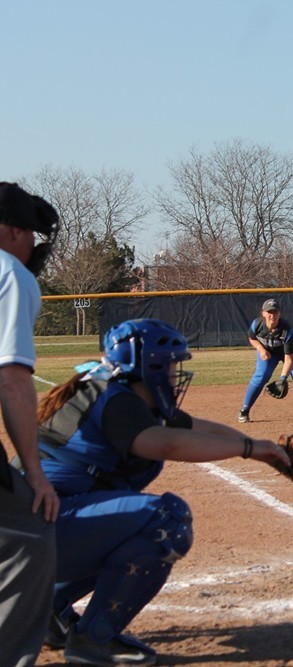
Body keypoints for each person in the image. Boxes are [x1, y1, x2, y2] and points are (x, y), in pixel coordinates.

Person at [37, 318, 290, 665]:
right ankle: (93, 641)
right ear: (147, 364)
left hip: (37, 526)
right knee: (164, 519)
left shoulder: (110, 388)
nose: (173, 373)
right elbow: (167, 443)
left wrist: (257, 445)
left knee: (121, 530)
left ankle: (45, 611)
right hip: (39, 530)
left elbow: (193, 427)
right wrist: (246, 450)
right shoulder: (118, 401)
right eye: (169, 364)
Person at [0, 182, 60, 667]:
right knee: (31, 537)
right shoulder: (10, 275)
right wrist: (35, 472)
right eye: (30, 234)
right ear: (12, 231)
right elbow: (14, 381)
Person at [238, 298, 293, 423]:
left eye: (275, 312)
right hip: (268, 352)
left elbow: (289, 359)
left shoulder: (287, 330)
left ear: (279, 313)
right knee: (261, 376)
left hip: (289, 352)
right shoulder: (257, 325)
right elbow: (252, 339)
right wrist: (261, 349)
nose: (272, 315)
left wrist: (283, 378)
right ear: (263, 313)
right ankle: (244, 411)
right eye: (269, 312)